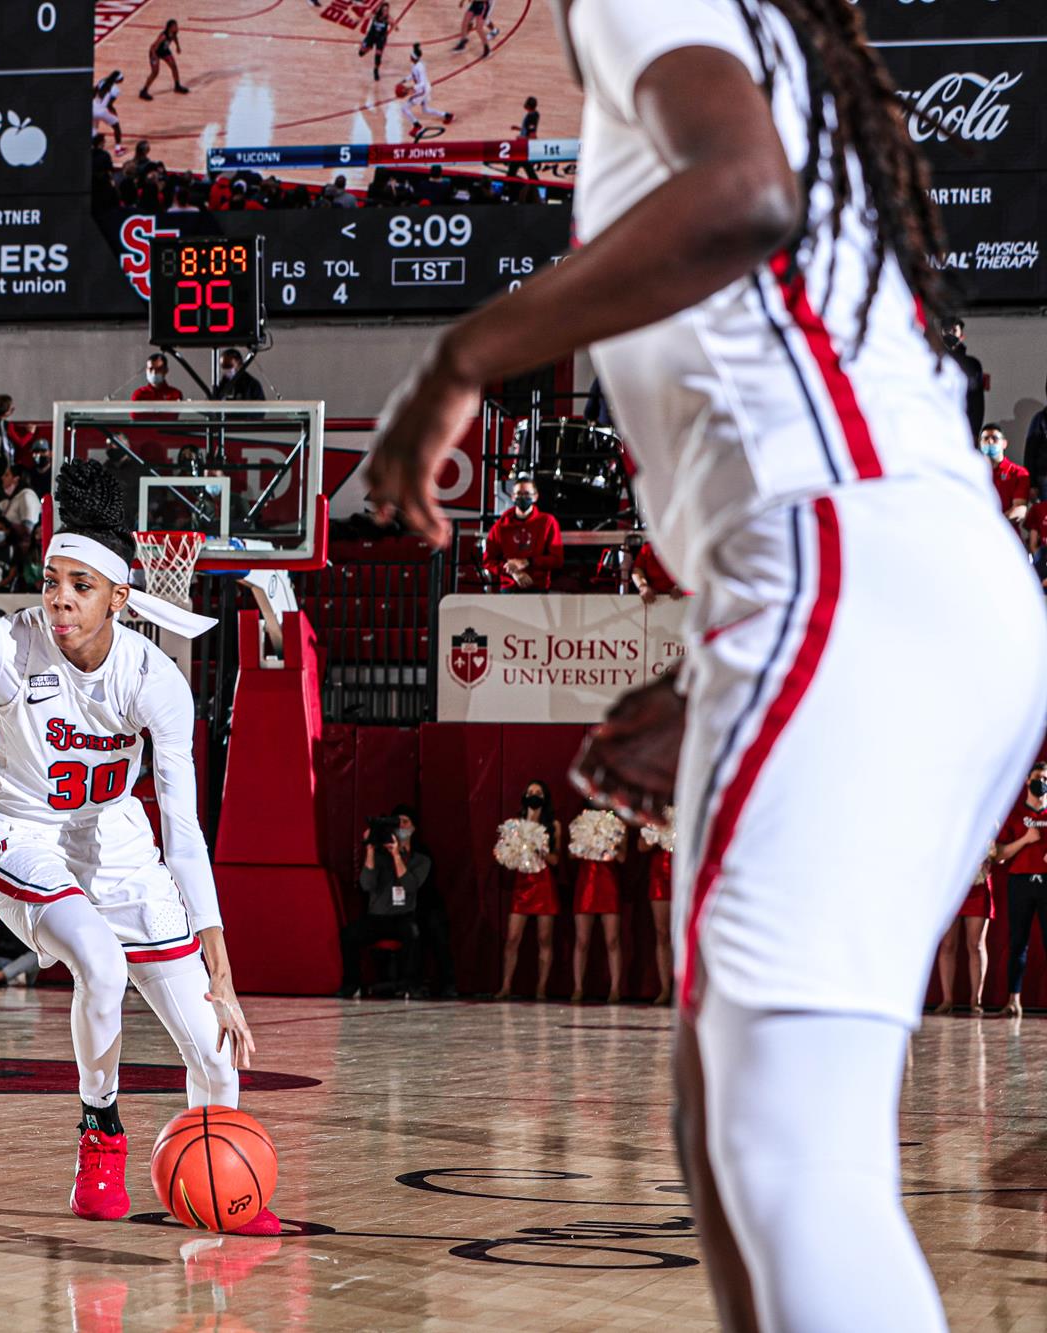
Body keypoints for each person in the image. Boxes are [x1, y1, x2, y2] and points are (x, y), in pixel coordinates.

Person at [366, 3, 1047, 1326]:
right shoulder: (772, 47)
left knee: (796, 1164)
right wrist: (722, 681)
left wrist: (462, 358)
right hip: (900, 583)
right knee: (721, 1129)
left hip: (849, 576)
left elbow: (744, 199)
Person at [0, 459, 272, 1233]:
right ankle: (100, 1131)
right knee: (100, 962)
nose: (61, 598)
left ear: (119, 596)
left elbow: (183, 828)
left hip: (119, 845)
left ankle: (218, 1194)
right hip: (22, 833)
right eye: (51, 580)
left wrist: (223, 972)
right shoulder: (9, 645)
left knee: (214, 1051)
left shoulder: (153, 679)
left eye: (81, 585)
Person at [336, 812, 428, 999]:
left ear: (413, 827)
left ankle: (409, 985)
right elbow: (366, 885)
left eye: (405, 822)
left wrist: (396, 855)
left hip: (403, 915)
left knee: (413, 934)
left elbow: (409, 886)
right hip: (377, 917)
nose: (401, 826)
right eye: (398, 822)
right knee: (349, 934)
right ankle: (351, 985)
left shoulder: (421, 860)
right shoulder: (378, 857)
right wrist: (370, 849)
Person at [494, 782, 560, 1002]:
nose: (533, 796)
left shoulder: (553, 826)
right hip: (522, 884)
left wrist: (539, 847)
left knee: (544, 938)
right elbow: (503, 856)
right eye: (530, 792)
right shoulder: (514, 825)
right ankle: (506, 985)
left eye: (538, 793)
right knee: (512, 937)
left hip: (543, 884)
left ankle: (541, 987)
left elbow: (555, 859)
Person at [994, 765, 1047, 1019]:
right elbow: (999, 855)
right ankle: (1013, 1001)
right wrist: (1025, 840)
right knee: (1018, 943)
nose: (1042, 783)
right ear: (1027, 781)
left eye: (1046, 779)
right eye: (1038, 779)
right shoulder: (1015, 814)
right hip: (1020, 883)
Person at [568, 798, 628, 1005]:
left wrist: (608, 843)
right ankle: (578, 987)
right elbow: (571, 853)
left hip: (608, 884)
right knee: (582, 940)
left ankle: (615, 988)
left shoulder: (618, 823)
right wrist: (587, 841)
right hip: (586, 885)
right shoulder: (580, 821)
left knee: (612, 940)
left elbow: (622, 858)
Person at [935, 848, 996, 1017]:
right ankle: (947, 1000)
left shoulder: (985, 822)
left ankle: (975, 1000)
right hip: (949, 887)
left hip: (977, 885)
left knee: (975, 944)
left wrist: (989, 854)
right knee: (947, 944)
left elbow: (996, 853)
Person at [481, 476, 563, 591]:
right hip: (509, 588)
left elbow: (557, 559)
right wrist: (513, 571)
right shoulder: (501, 525)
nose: (523, 497)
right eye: (519, 493)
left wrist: (528, 562)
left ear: (535, 496)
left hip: (538, 587)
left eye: (527, 493)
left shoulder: (548, 522)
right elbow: (488, 561)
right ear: (512, 497)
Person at [943, 317, 987, 441]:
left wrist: (974, 431)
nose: (950, 334)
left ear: (961, 336)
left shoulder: (972, 365)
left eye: (954, 330)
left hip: (963, 429)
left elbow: (977, 402)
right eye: (946, 330)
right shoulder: (932, 362)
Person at [981, 427, 1030, 527]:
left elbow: (1019, 509)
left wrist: (992, 526)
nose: (990, 442)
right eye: (985, 438)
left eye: (994, 438)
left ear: (1004, 444)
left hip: (1005, 535)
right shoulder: (972, 472)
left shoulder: (1018, 473)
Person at [404, 45, 454, 140]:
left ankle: (417, 126)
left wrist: (411, 88)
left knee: (404, 108)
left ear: (413, 57)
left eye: (410, 55)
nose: (409, 56)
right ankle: (448, 115)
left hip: (422, 90)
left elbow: (422, 83)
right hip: (425, 89)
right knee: (425, 110)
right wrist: (404, 80)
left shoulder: (419, 67)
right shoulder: (415, 65)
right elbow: (412, 75)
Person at [138, 19, 187, 101]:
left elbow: (175, 38)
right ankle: (143, 91)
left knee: (174, 66)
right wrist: (153, 56)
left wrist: (178, 46)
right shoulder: (163, 36)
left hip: (164, 51)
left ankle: (177, 86)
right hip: (155, 52)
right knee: (155, 72)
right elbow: (154, 46)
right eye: (175, 26)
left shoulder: (174, 33)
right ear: (170, 27)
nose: (177, 27)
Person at [359, 4, 391, 84]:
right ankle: (370, 47)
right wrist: (365, 15)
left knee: (378, 57)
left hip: (381, 38)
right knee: (361, 53)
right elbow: (366, 15)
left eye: (387, 10)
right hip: (371, 35)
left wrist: (393, 29)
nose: (386, 12)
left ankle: (376, 70)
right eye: (384, 10)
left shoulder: (388, 19)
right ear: (381, 10)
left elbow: (394, 25)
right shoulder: (375, 16)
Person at [93, 70, 124, 150]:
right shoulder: (116, 90)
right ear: (118, 80)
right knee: (116, 127)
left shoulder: (101, 81)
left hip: (92, 107)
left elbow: (93, 93)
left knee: (94, 128)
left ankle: (93, 147)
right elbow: (109, 105)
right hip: (102, 111)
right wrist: (114, 112)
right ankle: (118, 148)